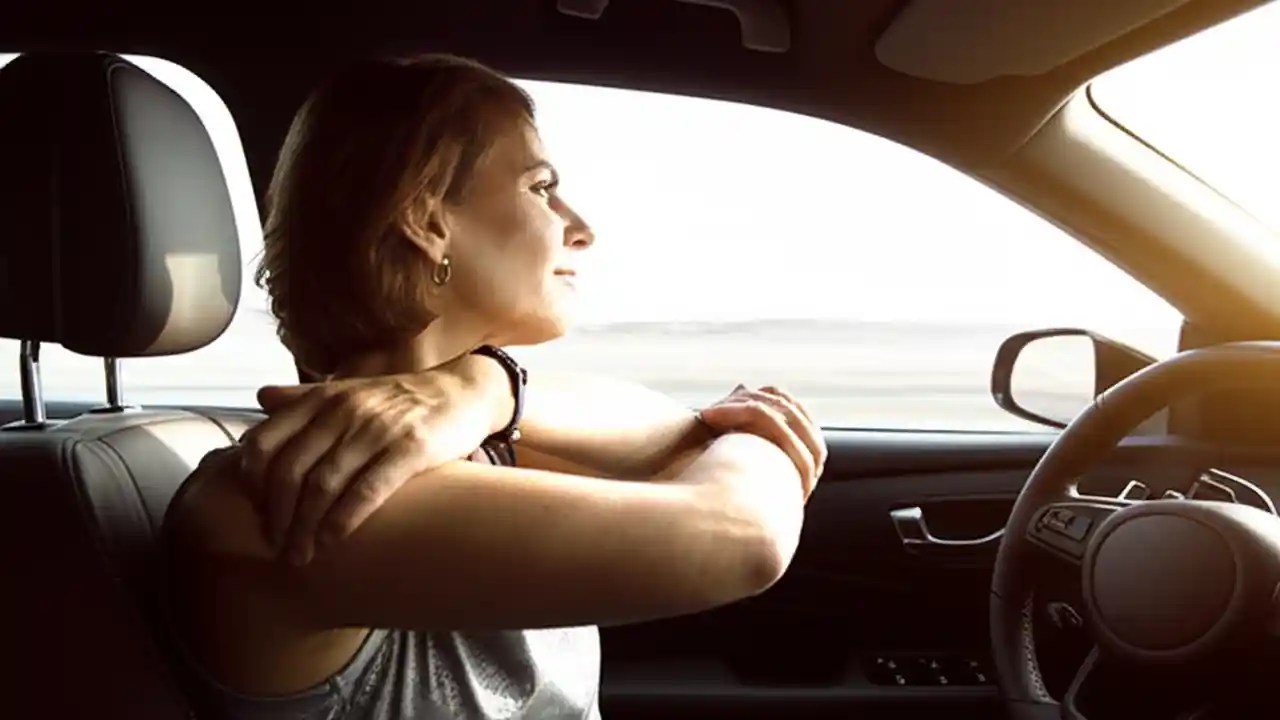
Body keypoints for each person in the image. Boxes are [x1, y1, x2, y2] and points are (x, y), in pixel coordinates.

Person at [162, 53, 827, 720]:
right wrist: (752, 434)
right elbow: (744, 534)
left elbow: (673, 429)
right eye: (540, 188)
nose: (580, 226)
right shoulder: (291, 496)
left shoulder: (482, 443)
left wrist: (489, 388)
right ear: (426, 221)